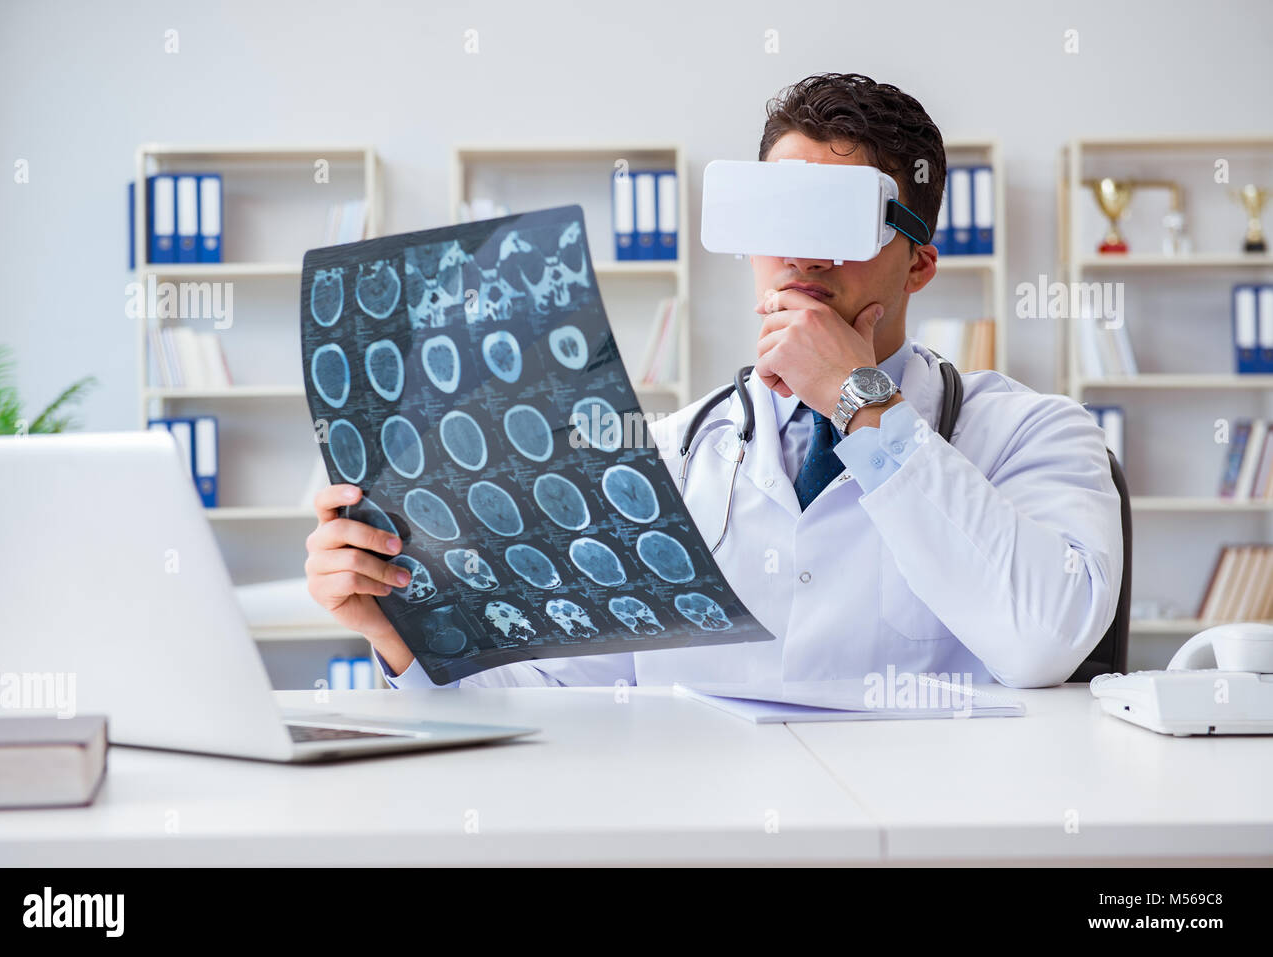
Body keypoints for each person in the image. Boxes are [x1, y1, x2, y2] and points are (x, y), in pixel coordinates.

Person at [305, 72, 1122, 690]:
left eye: (841, 219)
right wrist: (398, 632)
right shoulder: (662, 454)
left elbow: (1043, 640)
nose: (805, 256)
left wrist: (861, 400)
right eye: (778, 215)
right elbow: (562, 695)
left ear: (919, 263)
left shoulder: (1036, 434)